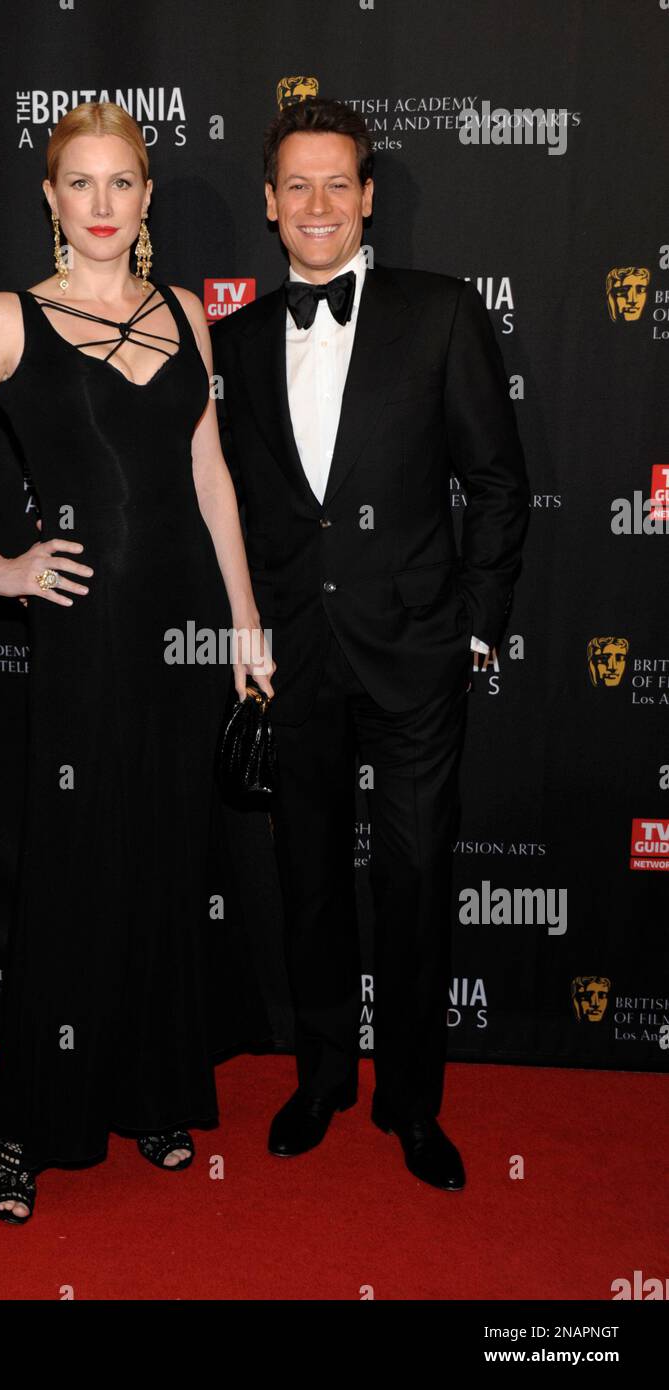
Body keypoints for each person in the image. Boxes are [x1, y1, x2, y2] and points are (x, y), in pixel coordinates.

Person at [0, 101, 274, 1223]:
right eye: (80, 185)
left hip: (183, 634)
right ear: (50, 201)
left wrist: (244, 621)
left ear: (146, 200)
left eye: (122, 184)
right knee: (72, 874)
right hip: (86, 639)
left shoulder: (188, 315)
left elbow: (209, 479)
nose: (103, 205)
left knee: (162, 862)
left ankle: (147, 1086)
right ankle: (23, 1124)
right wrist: (1, 569)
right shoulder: (10, 320)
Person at [211, 97, 530, 1192]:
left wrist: (474, 634)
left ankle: (411, 1102)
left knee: (411, 880)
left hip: (414, 655)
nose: (316, 205)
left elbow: (496, 486)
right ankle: (318, 1081)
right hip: (296, 660)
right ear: (266, 202)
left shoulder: (440, 312)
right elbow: (236, 511)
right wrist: (245, 630)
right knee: (304, 884)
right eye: (295, 184)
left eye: (336, 183)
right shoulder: (239, 341)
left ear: (368, 195)